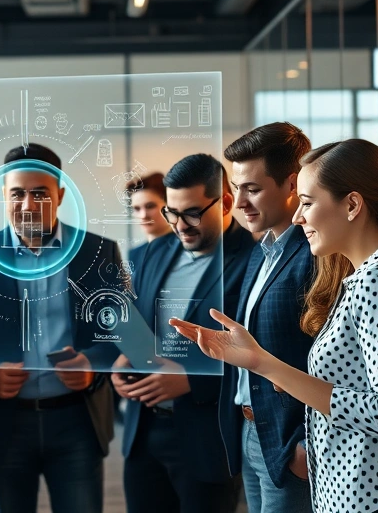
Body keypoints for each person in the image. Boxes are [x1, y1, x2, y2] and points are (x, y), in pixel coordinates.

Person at [171, 138, 378, 513]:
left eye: (307, 202)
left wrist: (265, 365)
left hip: (377, 497)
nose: (298, 217)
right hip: (369, 492)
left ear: (352, 205)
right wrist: (257, 360)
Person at [0, 143, 122, 513]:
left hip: (77, 420)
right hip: (2, 424)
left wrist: (92, 364)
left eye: (40, 193)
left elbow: (122, 333)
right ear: (4, 195)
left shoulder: (98, 251)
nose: (28, 205)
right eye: (17, 193)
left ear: (59, 195)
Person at [111, 154, 253, 513]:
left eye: (191, 213)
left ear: (225, 203)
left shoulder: (254, 259)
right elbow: (139, 324)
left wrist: (193, 379)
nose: (179, 225)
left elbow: (264, 355)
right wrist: (123, 360)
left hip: (206, 438)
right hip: (143, 433)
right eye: (171, 213)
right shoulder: (152, 252)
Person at [215, 122, 316, 513]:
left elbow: (331, 359)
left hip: (290, 443)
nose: (239, 202)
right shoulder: (262, 251)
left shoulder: (316, 256)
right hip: (251, 430)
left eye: (252, 189)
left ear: (292, 184)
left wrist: (305, 444)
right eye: (236, 188)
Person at [126, 172, 172, 272]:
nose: (143, 215)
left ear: (168, 206)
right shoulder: (135, 254)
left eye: (150, 206)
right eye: (137, 209)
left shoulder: (185, 247)